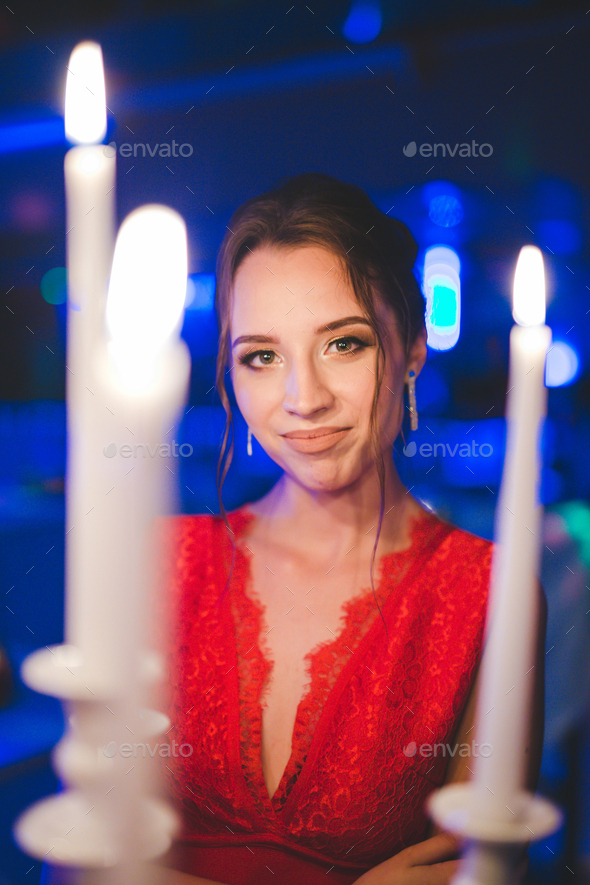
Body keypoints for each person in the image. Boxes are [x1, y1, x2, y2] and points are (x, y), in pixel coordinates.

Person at [155, 173, 546, 885]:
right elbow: (78, 860)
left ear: (413, 350)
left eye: (344, 343)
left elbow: (484, 869)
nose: (303, 398)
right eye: (262, 356)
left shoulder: (484, 591)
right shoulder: (159, 560)